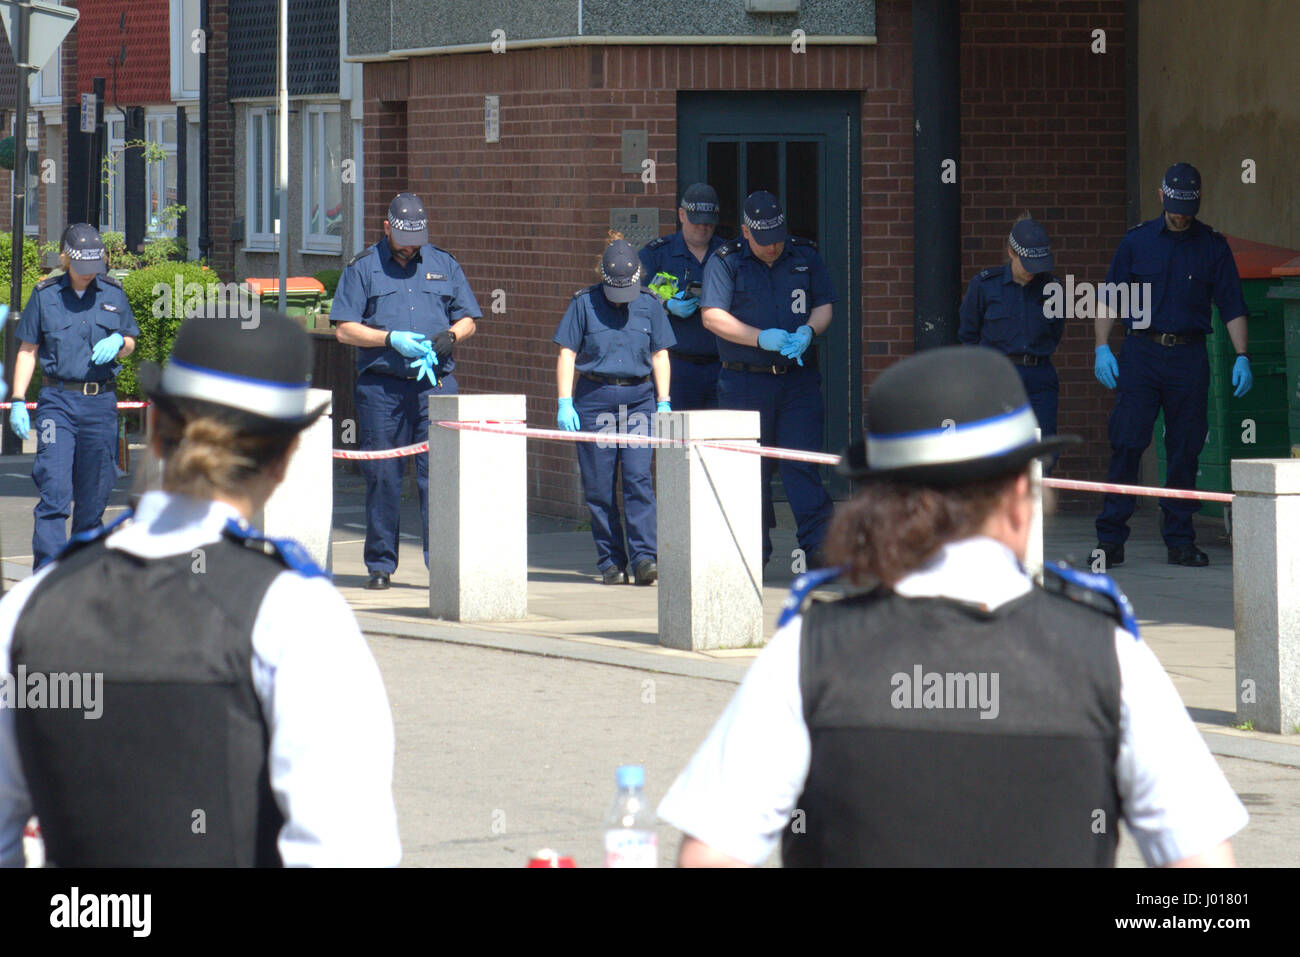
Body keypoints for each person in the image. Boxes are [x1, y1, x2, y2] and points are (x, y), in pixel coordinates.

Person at [657, 346, 1249, 867]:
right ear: (1021, 496)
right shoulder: (1110, 658)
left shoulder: (807, 654)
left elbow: (709, 855)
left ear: (881, 502)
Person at [0, 311, 401, 866]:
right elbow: (344, 851)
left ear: (157, 427)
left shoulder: (29, 607)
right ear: (284, 459)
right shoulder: (297, 618)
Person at [1093, 163, 1251, 568]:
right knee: (1127, 442)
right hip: (1141, 354)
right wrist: (1101, 347)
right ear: (1162, 196)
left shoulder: (1213, 246)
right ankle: (1111, 539)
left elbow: (1232, 305)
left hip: (1188, 356)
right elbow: (1109, 298)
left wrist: (1243, 356)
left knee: (1185, 448)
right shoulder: (1136, 243)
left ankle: (1180, 540)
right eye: (1176, 205)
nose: (1181, 214)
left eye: (1188, 208)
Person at [333, 192, 482, 590]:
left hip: (434, 384)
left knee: (439, 477)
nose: (411, 243)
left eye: (417, 236)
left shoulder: (442, 262)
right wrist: (389, 339)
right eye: (403, 236)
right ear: (387, 228)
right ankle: (381, 564)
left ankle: (443, 566)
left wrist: (451, 337)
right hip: (382, 388)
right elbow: (344, 328)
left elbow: (469, 317)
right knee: (383, 475)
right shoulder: (363, 267)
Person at [701, 190, 836, 572]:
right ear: (745, 232)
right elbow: (712, 316)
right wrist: (759, 337)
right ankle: (750, 552)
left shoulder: (804, 255)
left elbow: (824, 305)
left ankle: (819, 548)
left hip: (798, 379)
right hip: (746, 381)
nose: (773, 248)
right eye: (764, 242)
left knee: (802, 462)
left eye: (777, 239)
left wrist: (810, 331)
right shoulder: (726, 262)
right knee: (748, 470)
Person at [8, 223, 139, 570]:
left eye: (93, 268)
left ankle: (83, 574)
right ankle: (47, 576)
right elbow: (28, 349)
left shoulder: (112, 292)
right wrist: (19, 399)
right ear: (67, 260)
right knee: (54, 490)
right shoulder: (45, 294)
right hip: (58, 403)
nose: (87, 275)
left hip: (100, 404)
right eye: (81, 268)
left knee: (94, 498)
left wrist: (119, 344)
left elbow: (129, 341)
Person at [554, 234, 674, 585]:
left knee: (638, 480)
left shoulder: (650, 303)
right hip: (595, 399)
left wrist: (664, 401)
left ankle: (644, 558)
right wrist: (564, 401)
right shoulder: (584, 304)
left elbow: (659, 354)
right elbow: (567, 353)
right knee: (600, 486)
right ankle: (610, 560)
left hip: (638, 399)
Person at [958, 215, 1063, 460]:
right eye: (1028, 264)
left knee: (1044, 450)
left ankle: (1036, 499)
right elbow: (968, 334)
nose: (1033, 272)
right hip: (997, 375)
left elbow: (1055, 331)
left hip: (1039, 376)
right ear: (1011, 253)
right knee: (994, 449)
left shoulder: (1052, 287)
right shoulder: (984, 286)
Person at [639, 183, 727, 410]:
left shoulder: (728, 255)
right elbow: (633, 298)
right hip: (675, 366)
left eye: (708, 222)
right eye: (696, 221)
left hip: (721, 366)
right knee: (676, 442)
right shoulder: (658, 254)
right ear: (681, 215)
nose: (703, 228)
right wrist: (666, 304)